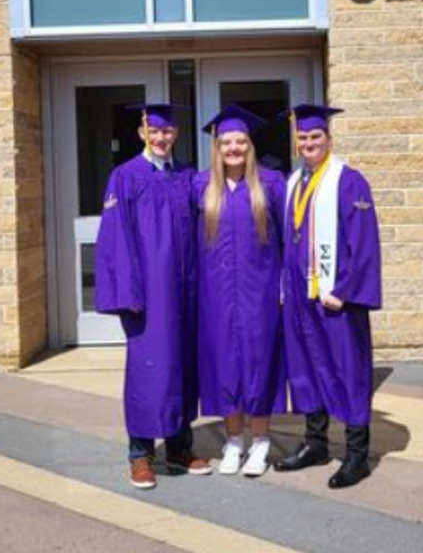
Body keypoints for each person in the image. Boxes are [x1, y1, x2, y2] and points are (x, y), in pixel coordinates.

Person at [95, 102, 210, 489]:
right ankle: (140, 454)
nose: (161, 138)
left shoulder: (186, 174)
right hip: (148, 294)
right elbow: (115, 238)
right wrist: (128, 292)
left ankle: (179, 446)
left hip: (185, 291)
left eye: (168, 131)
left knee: (181, 366)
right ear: (143, 132)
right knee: (148, 369)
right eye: (154, 131)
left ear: (175, 134)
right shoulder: (125, 176)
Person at [273, 104, 382, 489]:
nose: (308, 143)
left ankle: (357, 455)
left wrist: (345, 290)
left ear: (328, 139)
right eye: (302, 138)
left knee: (348, 369)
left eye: (315, 136)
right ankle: (315, 443)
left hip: (335, 298)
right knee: (305, 369)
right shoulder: (292, 183)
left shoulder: (349, 181)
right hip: (301, 297)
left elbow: (364, 244)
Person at [194, 105, 287, 477]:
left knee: (260, 365)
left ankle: (261, 444)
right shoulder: (200, 186)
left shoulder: (272, 184)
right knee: (226, 366)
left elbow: (291, 241)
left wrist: (286, 286)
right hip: (215, 296)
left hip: (261, 295)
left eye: (240, 142)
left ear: (250, 146)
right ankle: (234, 442)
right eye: (226, 143)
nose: (233, 148)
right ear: (217, 148)